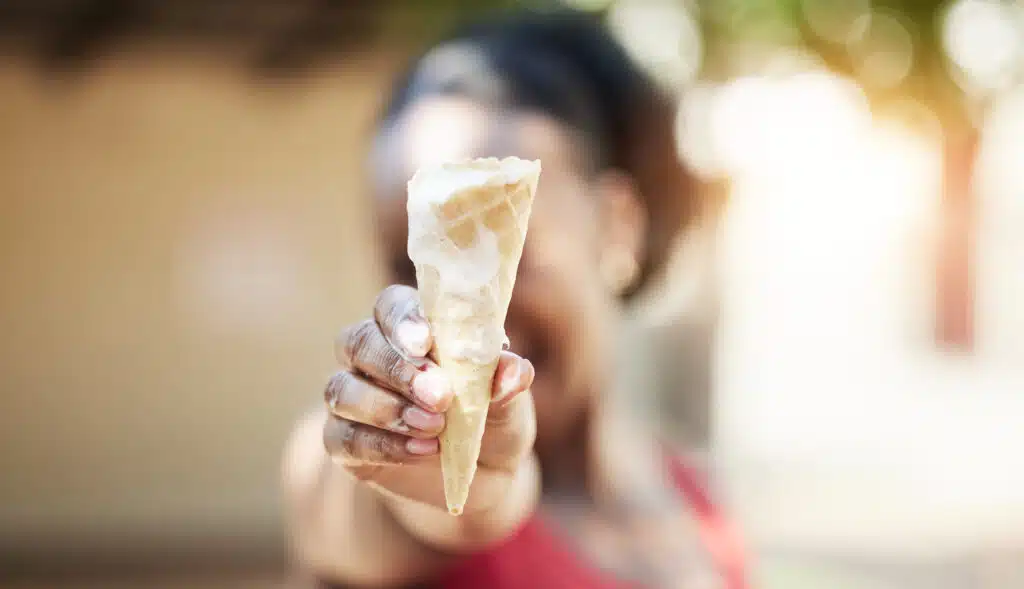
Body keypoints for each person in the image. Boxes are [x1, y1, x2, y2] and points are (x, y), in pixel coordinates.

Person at [282, 10, 746, 589]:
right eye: (411, 263)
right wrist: (440, 483)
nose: (452, 306)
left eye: (500, 255)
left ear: (615, 226)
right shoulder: (362, 466)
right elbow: (360, 506)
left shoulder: (692, 497)